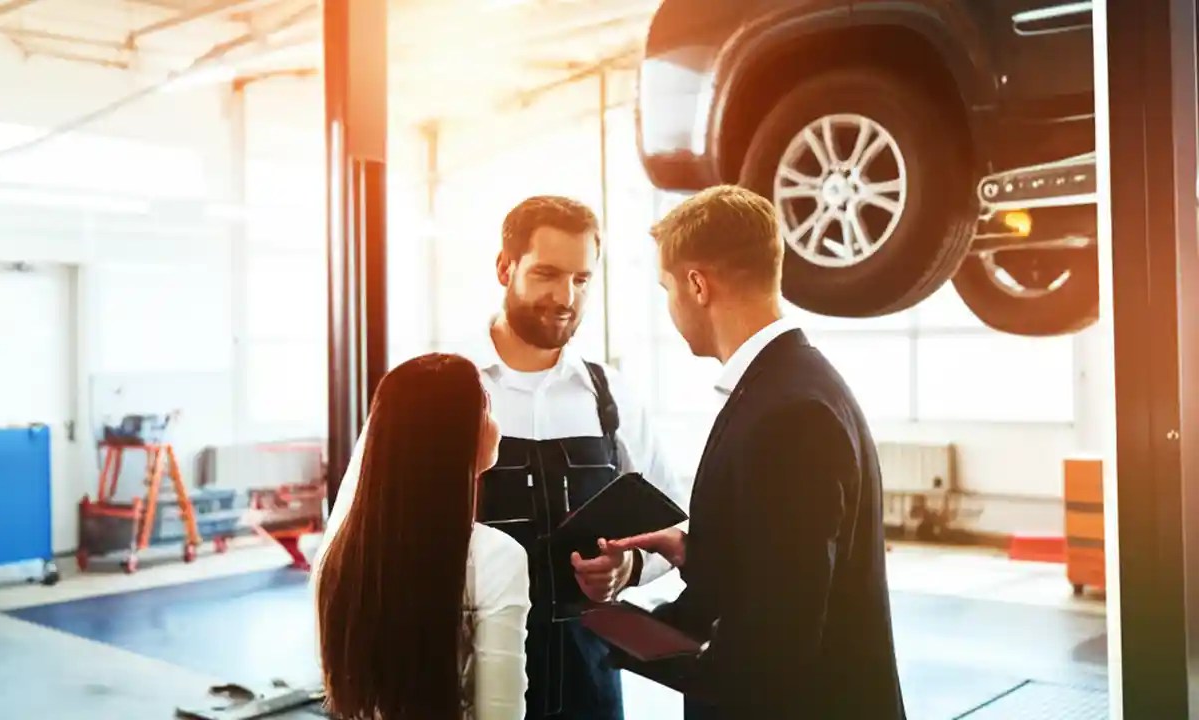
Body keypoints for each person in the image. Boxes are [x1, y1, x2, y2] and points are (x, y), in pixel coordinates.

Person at [319, 195, 686, 720]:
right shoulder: (435, 389)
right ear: (503, 268)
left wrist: (627, 568)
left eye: (582, 279)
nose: (565, 297)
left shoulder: (614, 398)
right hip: (450, 690)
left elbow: (670, 516)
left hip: (591, 688)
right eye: (546, 274)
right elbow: (351, 540)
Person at [606, 185, 906, 719]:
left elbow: (780, 640)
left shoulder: (789, 413)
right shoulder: (788, 385)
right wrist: (697, 551)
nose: (670, 307)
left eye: (667, 288)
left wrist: (638, 648)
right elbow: (789, 564)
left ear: (697, 284)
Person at [314, 353, 531, 720]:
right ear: (458, 435)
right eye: (486, 408)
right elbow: (500, 712)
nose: (496, 424)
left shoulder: (340, 554)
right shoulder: (496, 557)